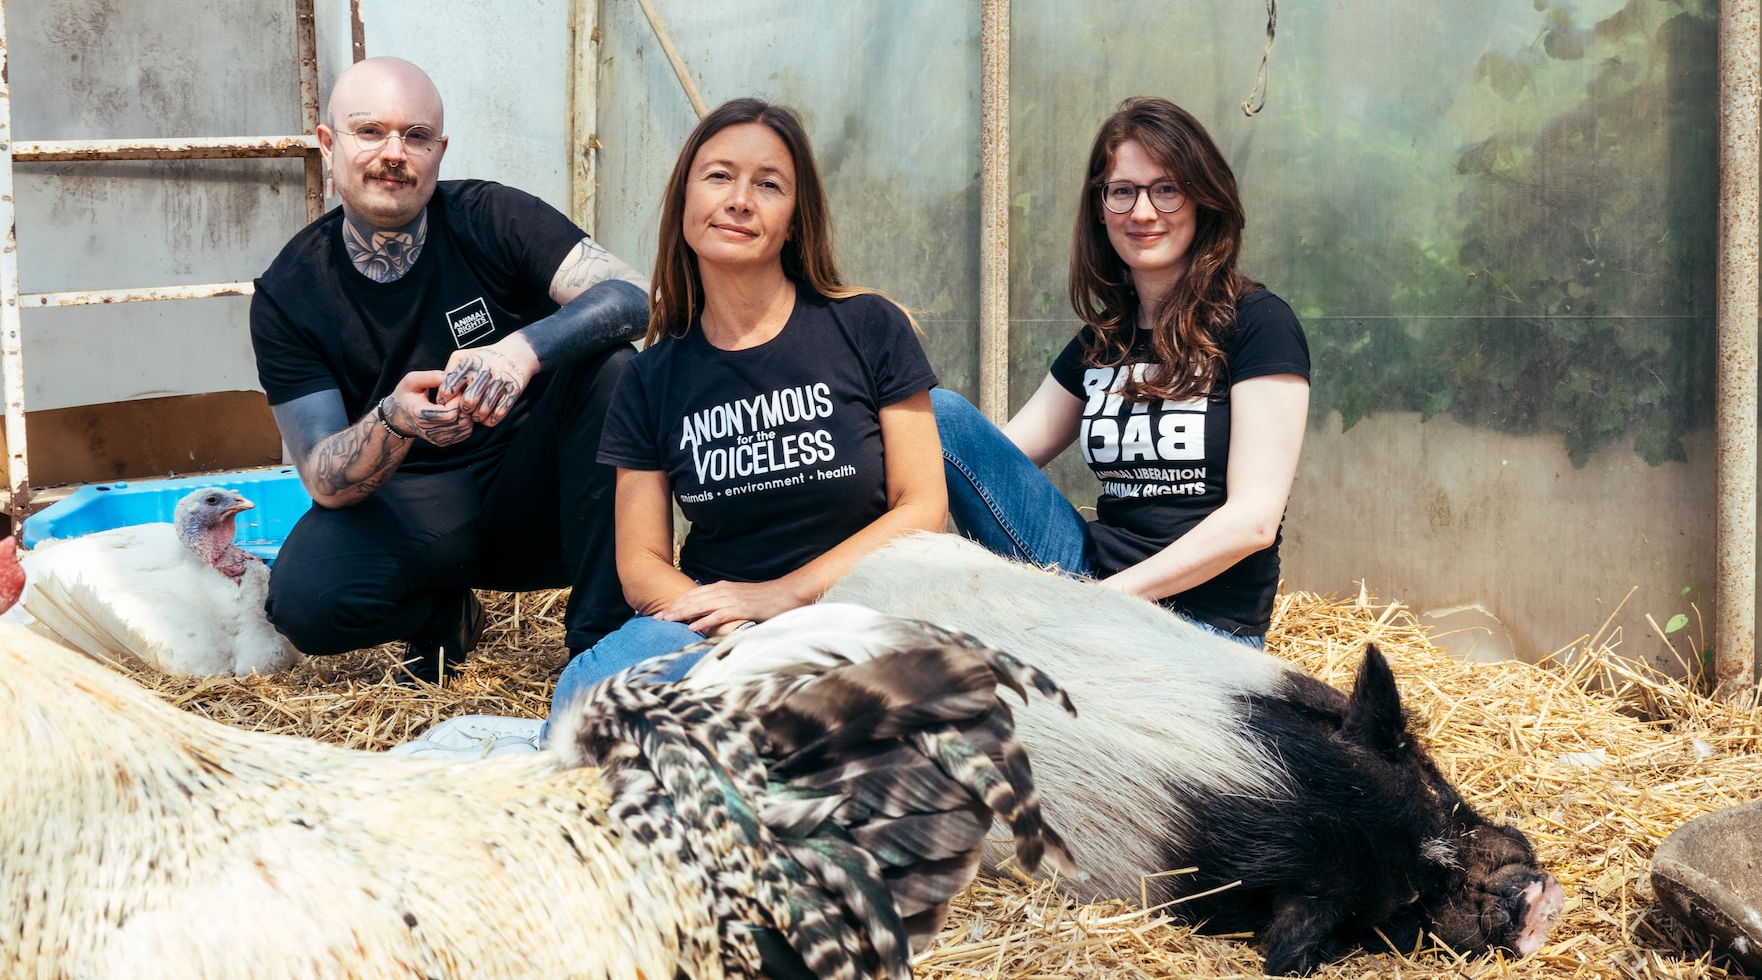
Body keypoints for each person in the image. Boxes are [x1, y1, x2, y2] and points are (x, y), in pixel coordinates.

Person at [250, 56, 650, 680]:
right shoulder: (291, 291)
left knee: (613, 367)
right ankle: (441, 616)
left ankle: (600, 652)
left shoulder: (494, 217)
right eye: (369, 131)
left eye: (415, 136)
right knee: (305, 601)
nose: (394, 153)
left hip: (543, 497)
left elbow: (636, 296)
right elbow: (325, 480)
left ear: (439, 150)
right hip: (415, 510)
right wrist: (393, 421)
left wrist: (521, 351)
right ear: (329, 147)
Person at [549, 97, 946, 714]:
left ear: (793, 221)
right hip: (716, 630)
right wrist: (732, 630)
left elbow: (922, 509)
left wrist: (781, 599)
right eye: (719, 176)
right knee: (588, 690)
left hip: (857, 608)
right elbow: (642, 562)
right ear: (685, 201)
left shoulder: (867, 326)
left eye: (768, 185)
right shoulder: (650, 378)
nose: (739, 199)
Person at [931, 96, 1310, 645]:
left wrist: (1103, 603)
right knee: (939, 419)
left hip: (1200, 624)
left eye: (1167, 188)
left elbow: (1253, 521)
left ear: (1204, 199)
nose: (1143, 212)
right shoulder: (1100, 342)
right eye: (1122, 191)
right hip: (1086, 579)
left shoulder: (1257, 323)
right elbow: (993, 460)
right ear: (1100, 208)